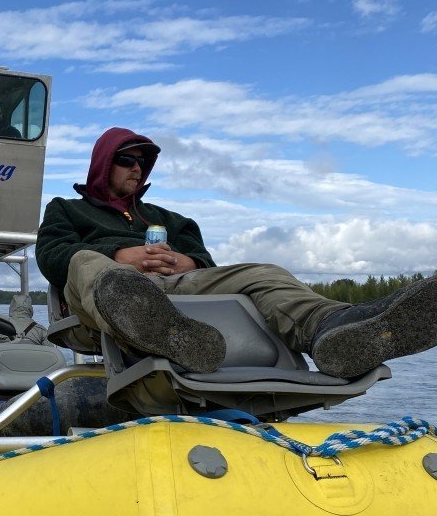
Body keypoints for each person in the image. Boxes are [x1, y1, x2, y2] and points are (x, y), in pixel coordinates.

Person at [35, 127, 437, 380]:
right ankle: (153, 330)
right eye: (126, 161)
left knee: (263, 271)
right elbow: (52, 253)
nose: (137, 169)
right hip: (101, 296)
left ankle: (333, 327)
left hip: (177, 290)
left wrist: (189, 262)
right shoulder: (67, 210)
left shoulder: (171, 219)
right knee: (85, 261)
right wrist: (120, 253)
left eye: (143, 163)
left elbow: (201, 258)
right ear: (104, 164)